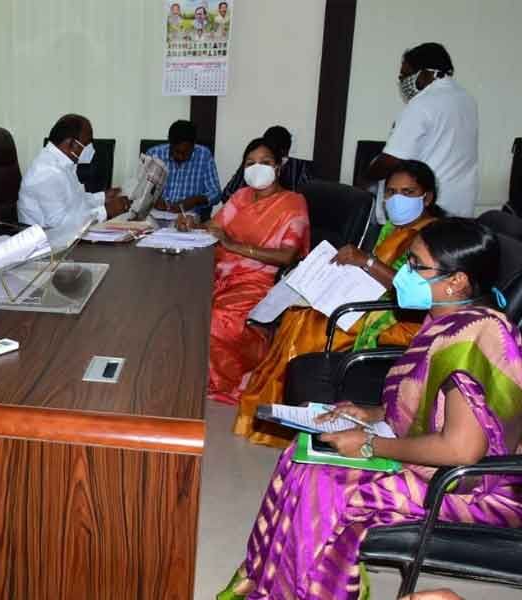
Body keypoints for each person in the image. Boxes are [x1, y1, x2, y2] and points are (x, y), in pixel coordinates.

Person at [218, 219, 522, 599]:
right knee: (301, 455)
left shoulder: (473, 339)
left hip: (471, 488)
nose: (402, 275)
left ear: (456, 281)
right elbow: (430, 403)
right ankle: (267, 579)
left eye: (415, 266)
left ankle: (312, 590)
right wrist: (372, 414)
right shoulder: (447, 319)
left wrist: (368, 445)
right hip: (439, 464)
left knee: (325, 486)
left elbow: (462, 450)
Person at [234, 160, 446, 445]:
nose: (397, 200)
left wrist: (367, 261)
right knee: (300, 313)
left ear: (427, 197)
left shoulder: (432, 236)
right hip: (373, 298)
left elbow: (415, 292)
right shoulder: (393, 228)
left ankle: (301, 419)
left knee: (312, 326)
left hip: (403, 318)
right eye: (391, 192)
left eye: (408, 192)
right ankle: (281, 411)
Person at [177, 138, 310, 404]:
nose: (257, 168)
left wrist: (234, 245)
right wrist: (191, 223)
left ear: (279, 167)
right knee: (180, 300)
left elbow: (287, 255)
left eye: (265, 162)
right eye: (250, 163)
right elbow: (214, 228)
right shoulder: (241, 196)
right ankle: (189, 371)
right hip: (220, 274)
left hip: (260, 284)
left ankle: (224, 381)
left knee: (215, 320)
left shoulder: (292, 203)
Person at [364, 43, 478, 219]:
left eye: (405, 75)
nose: (403, 82)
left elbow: (392, 160)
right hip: (460, 207)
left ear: (426, 73)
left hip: (424, 210)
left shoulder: (422, 104)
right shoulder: (466, 100)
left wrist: (367, 173)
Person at [17, 114, 129, 229]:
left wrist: (103, 197)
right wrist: (106, 211)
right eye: (87, 143)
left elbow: (75, 203)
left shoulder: (64, 165)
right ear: (72, 144)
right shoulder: (47, 172)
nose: (91, 149)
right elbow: (60, 224)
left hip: (63, 237)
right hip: (49, 241)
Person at [147, 120, 221, 221]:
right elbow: (141, 188)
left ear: (194, 145)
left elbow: (215, 193)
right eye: (177, 152)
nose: (181, 157)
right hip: (155, 215)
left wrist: (195, 200)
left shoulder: (204, 156)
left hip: (188, 217)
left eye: (186, 153)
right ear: (170, 143)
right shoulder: (154, 154)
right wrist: (152, 198)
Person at [221, 126, 312, 202]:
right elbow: (227, 195)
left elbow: (306, 203)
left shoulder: (300, 168)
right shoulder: (251, 166)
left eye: (266, 162)